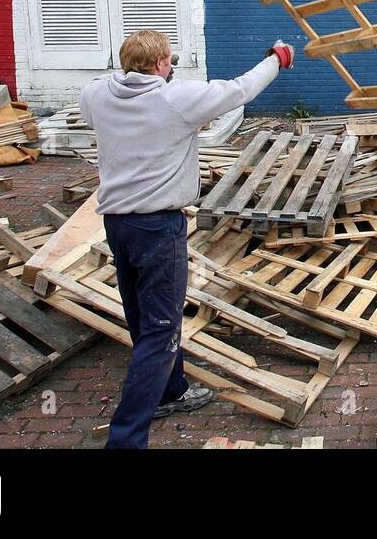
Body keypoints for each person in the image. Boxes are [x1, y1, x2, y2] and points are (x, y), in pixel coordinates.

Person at [79, 30, 295, 448]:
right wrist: (277, 58)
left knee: (144, 317)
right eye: (168, 61)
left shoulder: (97, 96)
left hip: (118, 226)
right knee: (161, 328)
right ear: (161, 65)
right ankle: (126, 440)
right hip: (158, 228)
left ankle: (171, 390)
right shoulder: (175, 100)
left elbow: (101, 92)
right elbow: (240, 90)